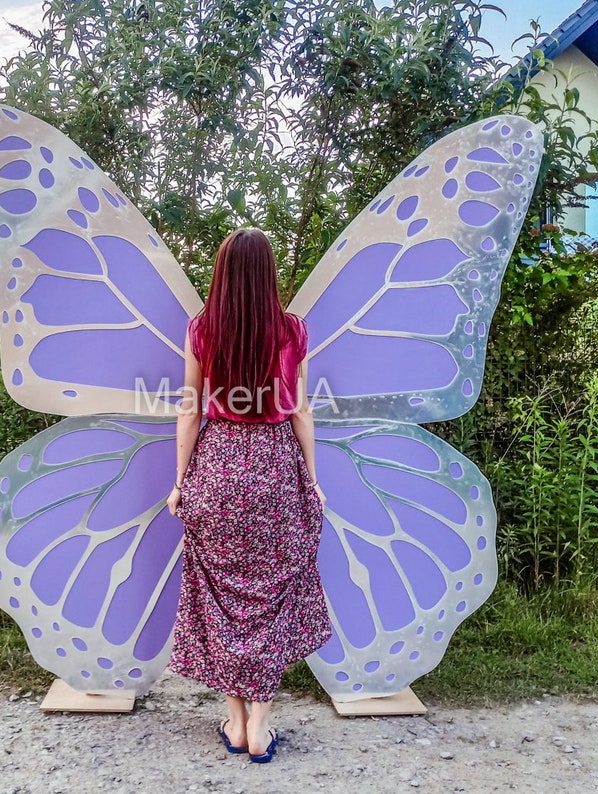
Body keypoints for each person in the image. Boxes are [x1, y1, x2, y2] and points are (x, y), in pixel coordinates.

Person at [166, 228, 331, 764]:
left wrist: (179, 481)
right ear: (268, 274)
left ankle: (234, 721)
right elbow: (302, 411)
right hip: (275, 471)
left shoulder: (201, 331)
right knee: (272, 595)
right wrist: (311, 476)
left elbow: (190, 410)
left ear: (221, 274)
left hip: (216, 468)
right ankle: (258, 723)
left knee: (220, 597)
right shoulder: (292, 331)